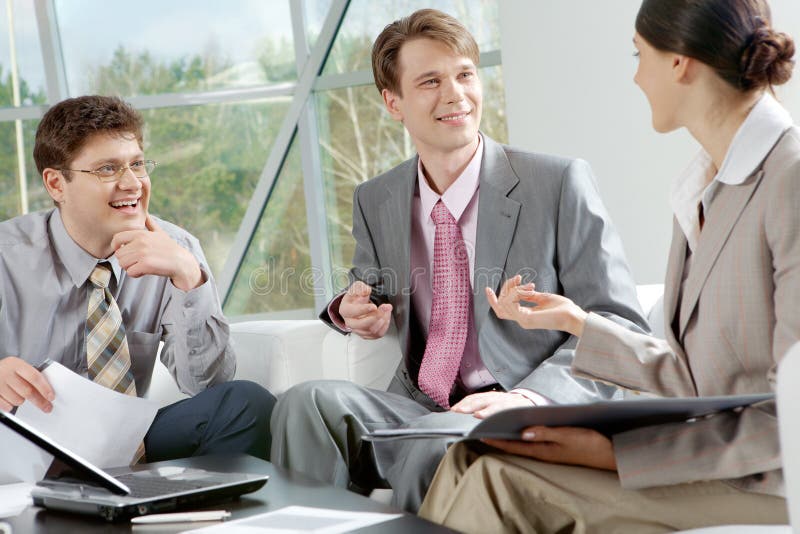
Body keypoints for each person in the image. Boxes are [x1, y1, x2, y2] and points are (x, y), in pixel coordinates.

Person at [419, 0, 799, 531]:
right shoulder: (705, 188)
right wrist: (576, 322)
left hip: (773, 482)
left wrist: (614, 454)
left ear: (680, 63)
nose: (637, 75)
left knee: (495, 477)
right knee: (468, 456)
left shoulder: (789, 181)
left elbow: (789, 421)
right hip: (717, 461)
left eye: (639, 54)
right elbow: (693, 377)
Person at [270, 8, 648, 512]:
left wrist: (526, 398)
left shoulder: (557, 184)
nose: (456, 95)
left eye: (465, 74)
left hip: (512, 403)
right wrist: (354, 308)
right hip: (416, 404)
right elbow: (370, 285)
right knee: (305, 404)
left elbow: (621, 327)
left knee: (435, 439)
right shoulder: (376, 198)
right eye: (430, 81)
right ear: (393, 102)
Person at [0, 95, 275, 463]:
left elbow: (207, 385)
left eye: (138, 165)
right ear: (56, 184)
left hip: (128, 445)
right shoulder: (7, 255)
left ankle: (191, 515)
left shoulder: (174, 248)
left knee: (245, 403)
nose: (132, 183)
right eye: (107, 169)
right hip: (22, 446)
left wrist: (188, 277)